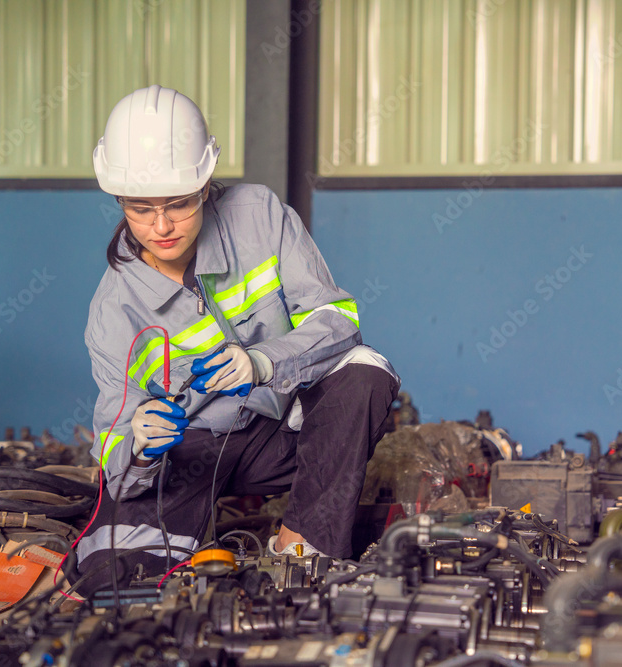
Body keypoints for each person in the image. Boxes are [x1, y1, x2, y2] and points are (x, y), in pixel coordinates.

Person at [76, 85, 399, 591]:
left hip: (283, 437)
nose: (161, 226)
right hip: (193, 454)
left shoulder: (259, 216)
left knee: (366, 370)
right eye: (141, 209)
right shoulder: (114, 312)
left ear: (205, 185)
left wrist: (265, 363)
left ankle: (301, 543)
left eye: (179, 204)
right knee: (116, 573)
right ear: (119, 200)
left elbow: (338, 317)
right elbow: (116, 463)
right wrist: (139, 445)